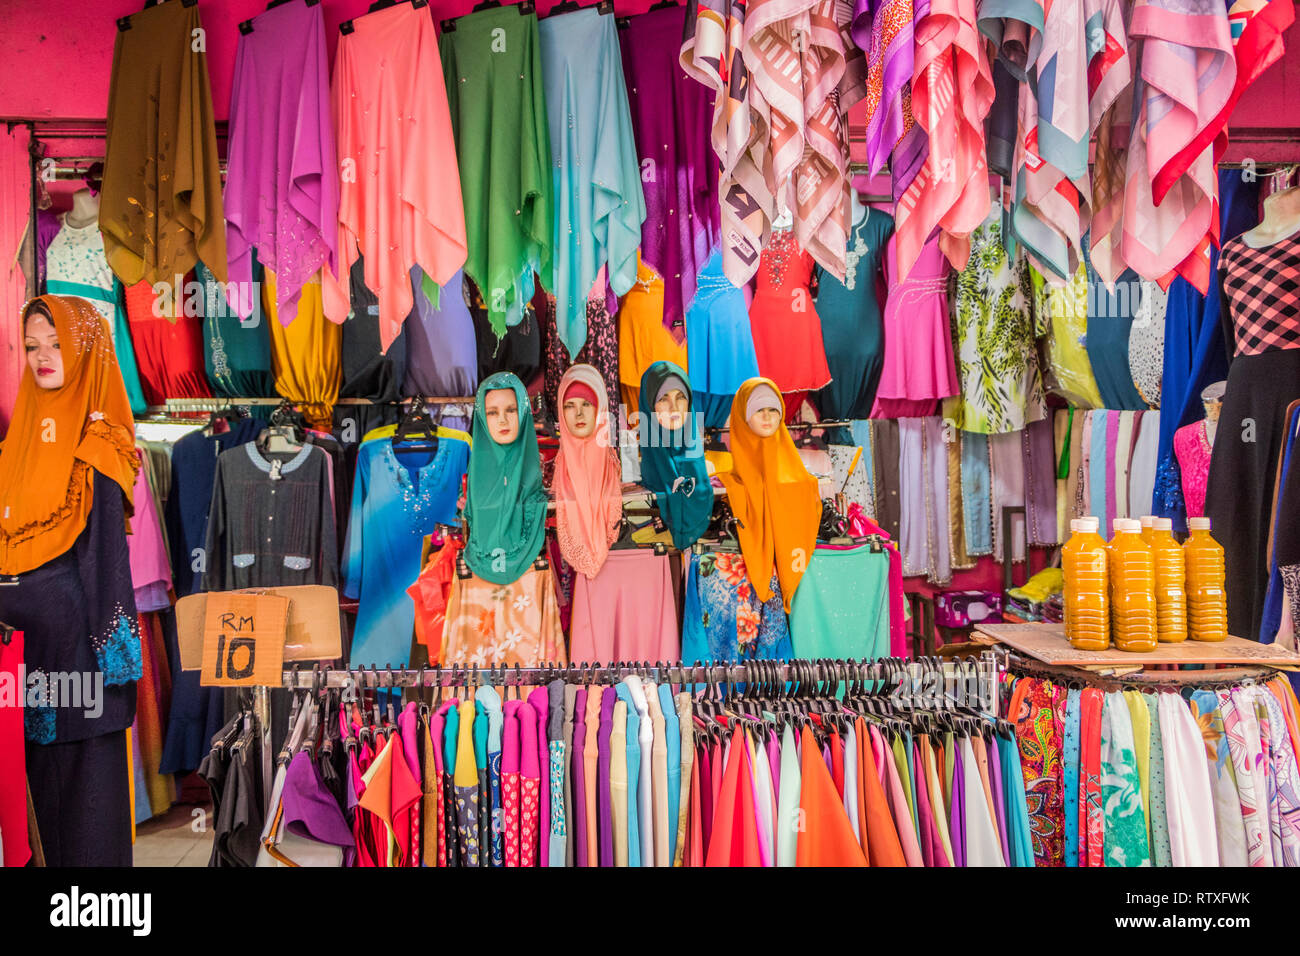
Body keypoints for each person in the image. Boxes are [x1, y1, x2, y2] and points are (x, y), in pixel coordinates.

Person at [0, 294, 143, 866]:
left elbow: (108, 562)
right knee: (30, 804)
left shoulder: (102, 447)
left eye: (58, 343)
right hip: (17, 661)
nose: (43, 356)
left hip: (79, 665)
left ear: (87, 350)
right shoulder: (14, 446)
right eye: (33, 346)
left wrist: (114, 672)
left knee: (85, 810)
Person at [717, 378, 822, 611]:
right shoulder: (728, 483)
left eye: (773, 410)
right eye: (758, 410)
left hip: (799, 595)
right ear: (742, 418)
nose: (767, 417)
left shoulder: (801, 479)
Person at [553, 364, 622, 579]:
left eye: (587, 404)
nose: (579, 413)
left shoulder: (613, 467)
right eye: (569, 406)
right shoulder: (553, 471)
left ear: (600, 408)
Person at [636, 361, 712, 549]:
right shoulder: (641, 470)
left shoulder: (706, 467)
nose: (674, 407)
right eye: (663, 399)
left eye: (680, 397)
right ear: (649, 405)